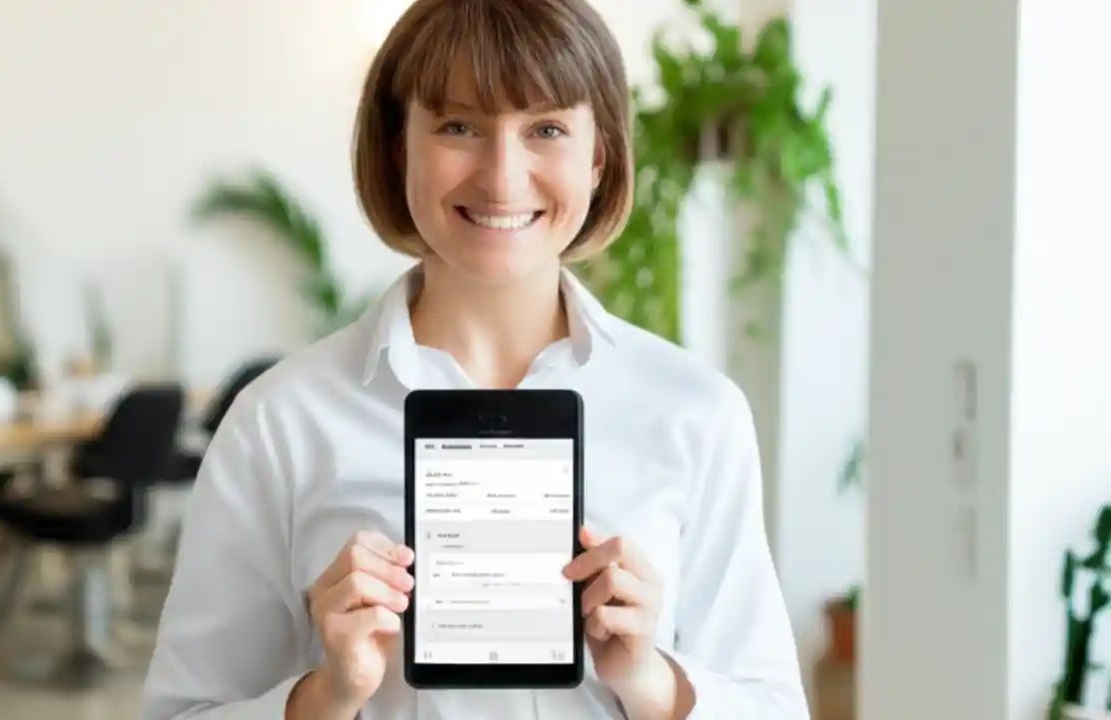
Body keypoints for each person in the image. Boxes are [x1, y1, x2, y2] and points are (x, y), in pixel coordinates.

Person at [142, 0, 807, 718]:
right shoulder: (281, 420)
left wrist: (650, 679)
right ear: (401, 147)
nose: (501, 177)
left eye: (546, 129)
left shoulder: (695, 413)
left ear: (598, 157)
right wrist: (325, 696)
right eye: (459, 126)